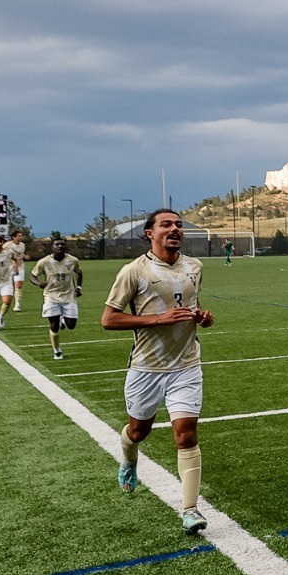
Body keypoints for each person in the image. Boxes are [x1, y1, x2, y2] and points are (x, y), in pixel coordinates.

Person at [101, 209, 215, 533]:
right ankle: (129, 458)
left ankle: (190, 510)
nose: (175, 229)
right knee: (138, 432)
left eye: (178, 225)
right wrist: (156, 320)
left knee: (186, 434)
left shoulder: (195, 267)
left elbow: (190, 309)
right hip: (146, 368)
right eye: (166, 224)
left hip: (186, 364)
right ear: (149, 233)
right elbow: (109, 319)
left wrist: (202, 318)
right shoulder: (133, 272)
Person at [31, 238, 84, 359]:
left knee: (71, 326)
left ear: (66, 247)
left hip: (68, 296)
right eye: (57, 244)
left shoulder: (73, 260)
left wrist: (79, 287)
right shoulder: (44, 262)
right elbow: (32, 276)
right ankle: (57, 350)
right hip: (51, 296)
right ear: (52, 247)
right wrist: (38, 283)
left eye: (62, 244)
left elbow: (79, 273)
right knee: (53, 325)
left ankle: (64, 320)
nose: (60, 246)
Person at [7, 234, 28, 313]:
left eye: (21, 236)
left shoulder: (22, 245)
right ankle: (6, 301)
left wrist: (25, 256)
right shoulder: (8, 245)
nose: (20, 237)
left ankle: (17, 304)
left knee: (18, 285)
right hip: (9, 267)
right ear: (14, 237)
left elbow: (20, 254)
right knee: (8, 285)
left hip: (20, 267)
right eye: (18, 236)